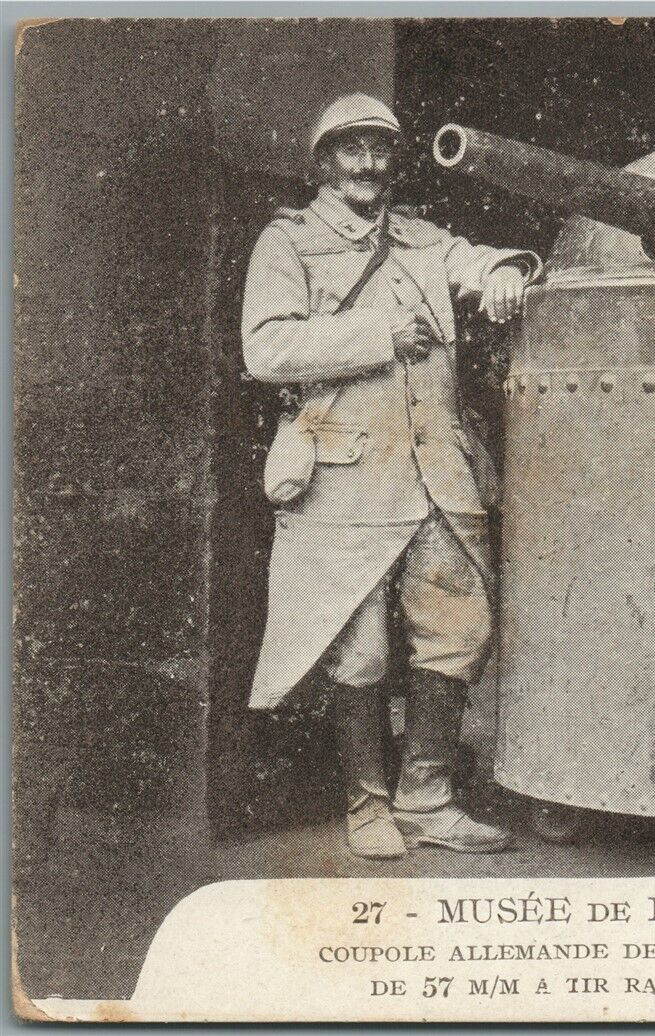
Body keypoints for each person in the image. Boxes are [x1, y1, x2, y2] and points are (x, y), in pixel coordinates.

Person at [241, 93, 538, 858]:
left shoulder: (418, 238)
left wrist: (504, 267)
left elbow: (470, 261)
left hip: (440, 476)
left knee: (457, 633)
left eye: (379, 149)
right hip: (346, 481)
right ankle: (367, 804)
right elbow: (267, 349)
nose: (368, 164)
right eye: (351, 150)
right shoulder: (290, 242)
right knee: (360, 651)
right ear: (322, 162)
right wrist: (378, 334)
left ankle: (427, 801)